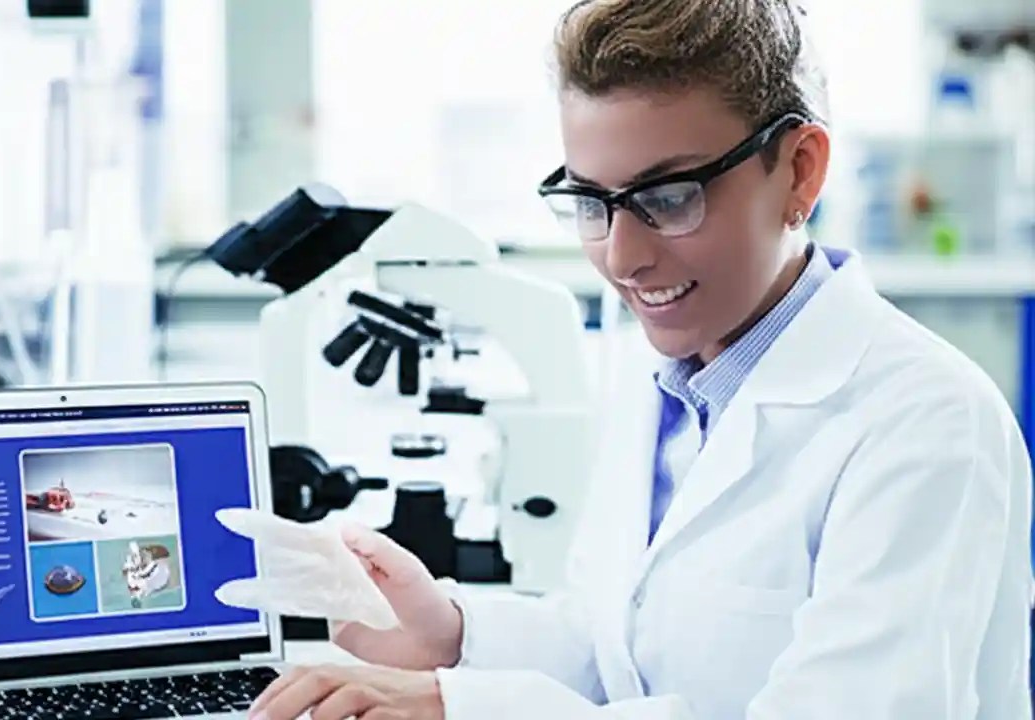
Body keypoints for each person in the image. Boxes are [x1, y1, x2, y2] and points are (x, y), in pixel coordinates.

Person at [242, 1, 1035, 717]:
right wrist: (446, 631)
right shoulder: (664, 375)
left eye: (667, 198)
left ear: (800, 170)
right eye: (591, 202)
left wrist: (466, 708)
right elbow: (615, 649)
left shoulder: (927, 423)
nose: (622, 256)